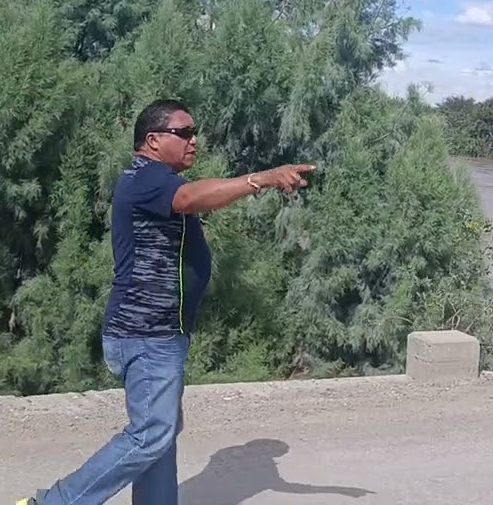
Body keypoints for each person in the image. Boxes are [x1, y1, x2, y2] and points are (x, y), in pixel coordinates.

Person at [18, 98, 315, 505]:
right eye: (184, 133)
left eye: (195, 133)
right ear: (153, 140)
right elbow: (190, 198)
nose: (194, 140)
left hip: (162, 333)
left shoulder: (160, 180)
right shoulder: (146, 177)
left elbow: (189, 196)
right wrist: (262, 179)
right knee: (150, 435)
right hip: (146, 333)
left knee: (160, 434)